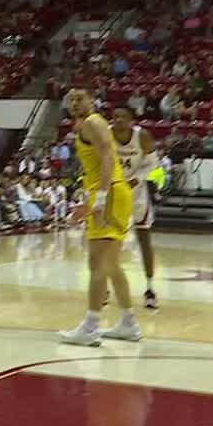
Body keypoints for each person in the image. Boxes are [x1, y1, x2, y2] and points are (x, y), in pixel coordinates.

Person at [58, 88, 142, 346]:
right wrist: (89, 202)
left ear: (92, 100)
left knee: (97, 264)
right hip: (114, 192)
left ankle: (91, 326)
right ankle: (128, 323)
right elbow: (97, 164)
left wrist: (102, 198)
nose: (74, 103)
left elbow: (107, 155)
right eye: (71, 99)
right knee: (112, 264)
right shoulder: (93, 123)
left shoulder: (92, 122)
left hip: (111, 192)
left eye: (80, 98)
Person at [111, 106, 160, 309]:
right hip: (114, 192)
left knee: (144, 239)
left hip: (137, 193)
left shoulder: (142, 136)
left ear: (131, 120)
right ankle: (104, 287)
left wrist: (136, 179)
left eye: (123, 116)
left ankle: (150, 289)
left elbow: (153, 164)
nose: (119, 119)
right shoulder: (106, 134)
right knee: (109, 242)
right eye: (115, 116)